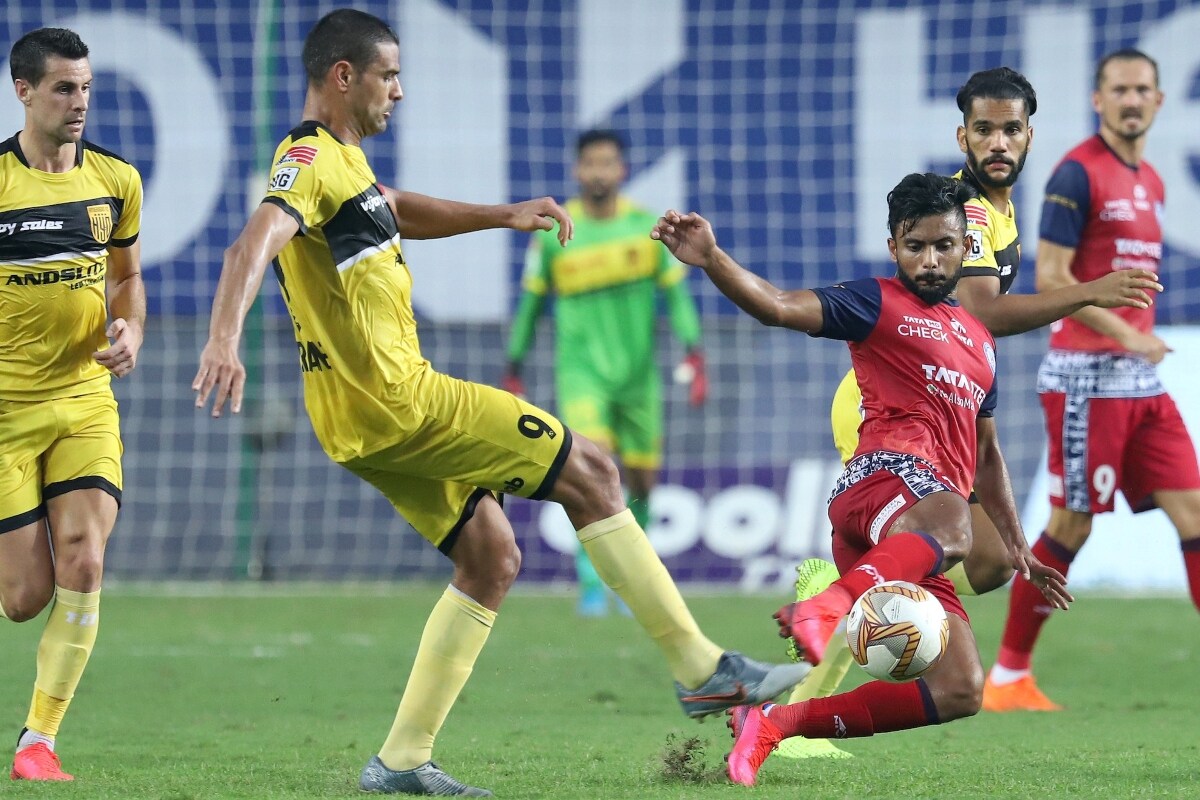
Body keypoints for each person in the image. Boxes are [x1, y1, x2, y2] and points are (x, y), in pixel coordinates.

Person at [191, 10, 808, 796]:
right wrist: (222, 338)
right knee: (591, 468)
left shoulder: (346, 168)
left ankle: (402, 762)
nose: (400, 92)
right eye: (388, 75)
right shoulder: (308, 159)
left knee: (491, 557)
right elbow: (252, 242)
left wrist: (503, 215)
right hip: (401, 400)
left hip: (353, 423)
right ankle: (702, 670)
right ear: (343, 77)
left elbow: (392, 204)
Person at [779, 66, 1162, 760]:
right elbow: (982, 311)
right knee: (942, 552)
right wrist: (1086, 294)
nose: (997, 141)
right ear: (962, 134)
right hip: (892, 408)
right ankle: (812, 690)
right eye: (983, 128)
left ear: (1028, 136)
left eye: (1010, 129)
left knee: (990, 565)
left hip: (946, 406)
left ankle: (866, 591)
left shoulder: (1000, 206)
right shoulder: (969, 212)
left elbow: (968, 324)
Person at [650, 172, 1077, 787]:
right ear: (893, 246)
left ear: (965, 249)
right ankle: (828, 607)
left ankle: (771, 722)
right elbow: (775, 305)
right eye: (915, 246)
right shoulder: (875, 302)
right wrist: (713, 259)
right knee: (955, 521)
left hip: (915, 538)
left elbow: (987, 453)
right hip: (881, 485)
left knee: (960, 690)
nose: (930, 260)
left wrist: (1017, 547)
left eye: (944, 246)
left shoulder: (981, 342)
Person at [983, 48, 1200, 713]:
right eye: (1119, 90)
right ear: (1097, 99)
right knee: (1072, 525)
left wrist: (1137, 345)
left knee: (1194, 514)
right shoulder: (1077, 174)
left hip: (1139, 384)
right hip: (1086, 378)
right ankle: (1008, 678)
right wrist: (1128, 333)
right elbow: (1051, 276)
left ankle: (1011, 677)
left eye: (1142, 90)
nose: (1132, 100)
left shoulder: (1155, 181)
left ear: (1159, 102)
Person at [0, 28, 145, 782]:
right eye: (64, 88)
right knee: (24, 599)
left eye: (86, 87)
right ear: (23, 91)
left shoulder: (116, 179)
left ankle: (39, 743)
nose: (79, 102)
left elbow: (125, 278)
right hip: (5, 415)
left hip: (85, 399)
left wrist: (132, 329)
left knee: (86, 559)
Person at [502, 128, 706, 617]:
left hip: (639, 378)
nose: (598, 172)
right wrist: (514, 365)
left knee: (642, 483)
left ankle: (633, 581)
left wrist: (695, 352)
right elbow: (531, 305)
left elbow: (676, 298)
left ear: (622, 170)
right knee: (594, 472)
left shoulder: (646, 229)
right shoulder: (557, 233)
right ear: (578, 170)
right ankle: (592, 584)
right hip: (583, 375)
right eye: (589, 163)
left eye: (607, 163)